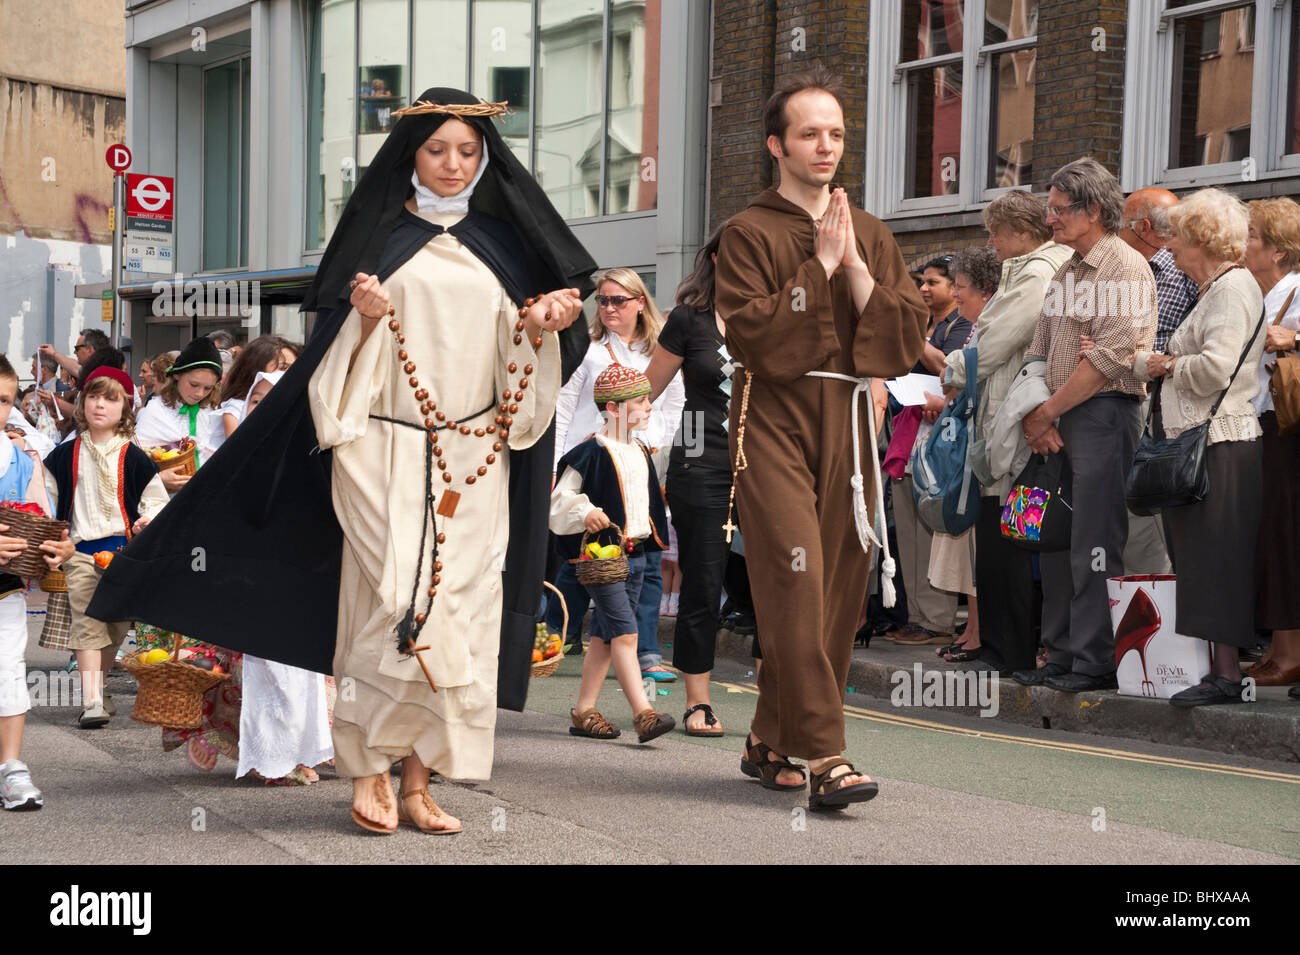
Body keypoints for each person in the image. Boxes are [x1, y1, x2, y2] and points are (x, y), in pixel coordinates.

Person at [715, 66, 927, 807]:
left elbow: (902, 341)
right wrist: (821, 265)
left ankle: (770, 735)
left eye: (836, 133)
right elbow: (755, 338)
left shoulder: (870, 229)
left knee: (837, 593)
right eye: (809, 133)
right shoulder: (745, 232)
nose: (826, 145)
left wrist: (859, 270)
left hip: (849, 422)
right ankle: (826, 756)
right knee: (797, 580)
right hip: (772, 416)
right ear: (777, 144)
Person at [1015, 157, 1157, 693]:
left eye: (1058, 210)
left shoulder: (1125, 266)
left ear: (1092, 210)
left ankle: (1094, 660)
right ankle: (1060, 653)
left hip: (1102, 416)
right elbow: (1040, 347)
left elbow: (1109, 358)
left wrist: (1047, 412)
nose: (1049, 220)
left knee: (1094, 541)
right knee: (1054, 539)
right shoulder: (1065, 270)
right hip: (1055, 417)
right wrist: (1039, 412)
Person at [1125, 189, 1265, 706]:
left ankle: (1226, 676)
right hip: (1202, 443)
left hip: (1221, 445)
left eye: (1179, 235)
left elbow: (1213, 371)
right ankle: (1216, 671)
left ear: (1202, 238)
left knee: (1217, 559)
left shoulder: (1231, 290)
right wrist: (1148, 363)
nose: (1172, 245)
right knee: (1199, 559)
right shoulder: (1215, 289)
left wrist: (1164, 366)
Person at [941, 190, 1072, 675]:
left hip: (1017, 429)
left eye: (995, 233)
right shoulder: (1035, 269)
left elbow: (996, 344)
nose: (991, 244)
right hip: (1011, 422)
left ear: (1020, 232)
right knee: (1004, 541)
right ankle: (1002, 649)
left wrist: (952, 368)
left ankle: (1009, 652)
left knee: (1010, 543)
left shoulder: (1037, 272)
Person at [550, 268, 684, 682]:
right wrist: (554, 468)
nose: (607, 307)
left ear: (639, 303)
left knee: (642, 554)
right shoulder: (587, 350)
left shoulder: (660, 351)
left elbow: (674, 406)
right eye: (602, 300)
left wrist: (652, 444)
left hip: (638, 461)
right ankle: (553, 636)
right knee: (583, 555)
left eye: (617, 300)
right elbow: (563, 408)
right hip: (592, 462)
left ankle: (645, 651)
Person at [550, 363, 675, 742]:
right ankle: (644, 712)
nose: (649, 406)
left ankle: (584, 709)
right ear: (615, 409)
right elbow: (560, 500)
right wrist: (586, 511)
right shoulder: (590, 452)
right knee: (626, 633)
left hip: (635, 556)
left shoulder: (638, 448)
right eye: (641, 400)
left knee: (606, 636)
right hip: (603, 559)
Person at [646, 222, 735, 734]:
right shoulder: (688, 319)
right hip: (701, 462)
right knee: (703, 579)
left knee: (775, 585)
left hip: (769, 464)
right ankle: (698, 700)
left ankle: (778, 706)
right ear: (717, 257)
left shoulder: (776, 317)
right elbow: (647, 390)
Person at [42, 368, 168, 728]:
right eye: (94, 396)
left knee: (114, 627)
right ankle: (92, 701)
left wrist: (147, 520)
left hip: (123, 554)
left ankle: (101, 689)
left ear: (126, 408)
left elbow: (155, 501)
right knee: (88, 620)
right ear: (82, 402)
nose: (100, 405)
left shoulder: (135, 457)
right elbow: (48, 501)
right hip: (80, 552)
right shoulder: (64, 456)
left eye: (110, 398)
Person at [235, 371, 334, 783]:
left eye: (273, 400)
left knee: (303, 671)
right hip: (256, 575)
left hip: (301, 572)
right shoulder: (240, 452)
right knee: (267, 668)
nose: (264, 409)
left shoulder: (311, 454)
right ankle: (267, 758)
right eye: (256, 401)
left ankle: (301, 752)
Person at [0, 356, 75, 810]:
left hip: (5, 587)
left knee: (7, 671)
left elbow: (43, 523)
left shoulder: (20, 460)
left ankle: (10, 768)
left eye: (4, 399)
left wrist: (59, 549)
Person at [883, 254, 969, 646]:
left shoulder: (963, 326)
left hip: (940, 437)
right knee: (911, 531)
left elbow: (947, 370)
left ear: (955, 288)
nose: (923, 288)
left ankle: (936, 619)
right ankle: (916, 615)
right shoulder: (923, 323)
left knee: (934, 530)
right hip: (909, 432)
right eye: (922, 281)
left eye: (933, 282)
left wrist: (915, 340)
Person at [1119, 187, 1198, 576]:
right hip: (1112, 402)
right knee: (1129, 515)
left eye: (1123, 227)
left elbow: (1197, 343)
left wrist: (1144, 359)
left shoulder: (1184, 272)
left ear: (1143, 227)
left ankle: (1160, 617)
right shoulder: (1112, 269)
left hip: (1159, 410)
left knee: (1151, 514)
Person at [926, 246, 999, 662]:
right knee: (961, 545)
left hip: (977, 446)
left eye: (964, 289)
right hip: (963, 444)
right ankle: (972, 628)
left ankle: (979, 632)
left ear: (986, 292)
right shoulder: (976, 326)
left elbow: (960, 377)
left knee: (972, 545)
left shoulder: (987, 325)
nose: (958, 297)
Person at [1244, 198, 1300, 688]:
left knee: (1283, 537)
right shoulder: (1261, 293)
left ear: (1280, 251)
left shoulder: (1296, 291)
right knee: (1271, 537)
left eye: (1253, 236)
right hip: (1263, 428)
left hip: (1287, 432)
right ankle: (1282, 649)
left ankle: (1289, 654)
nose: (1243, 245)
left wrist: (1294, 340)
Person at [133, 338, 224, 492]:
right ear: (177, 375)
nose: (199, 393)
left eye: (208, 388)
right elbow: (135, 464)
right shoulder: (156, 409)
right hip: (167, 502)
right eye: (194, 385)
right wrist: (159, 478)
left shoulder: (214, 411)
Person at [215, 335, 301, 440]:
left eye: (294, 368)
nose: (289, 374)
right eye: (283, 367)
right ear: (256, 370)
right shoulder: (235, 411)